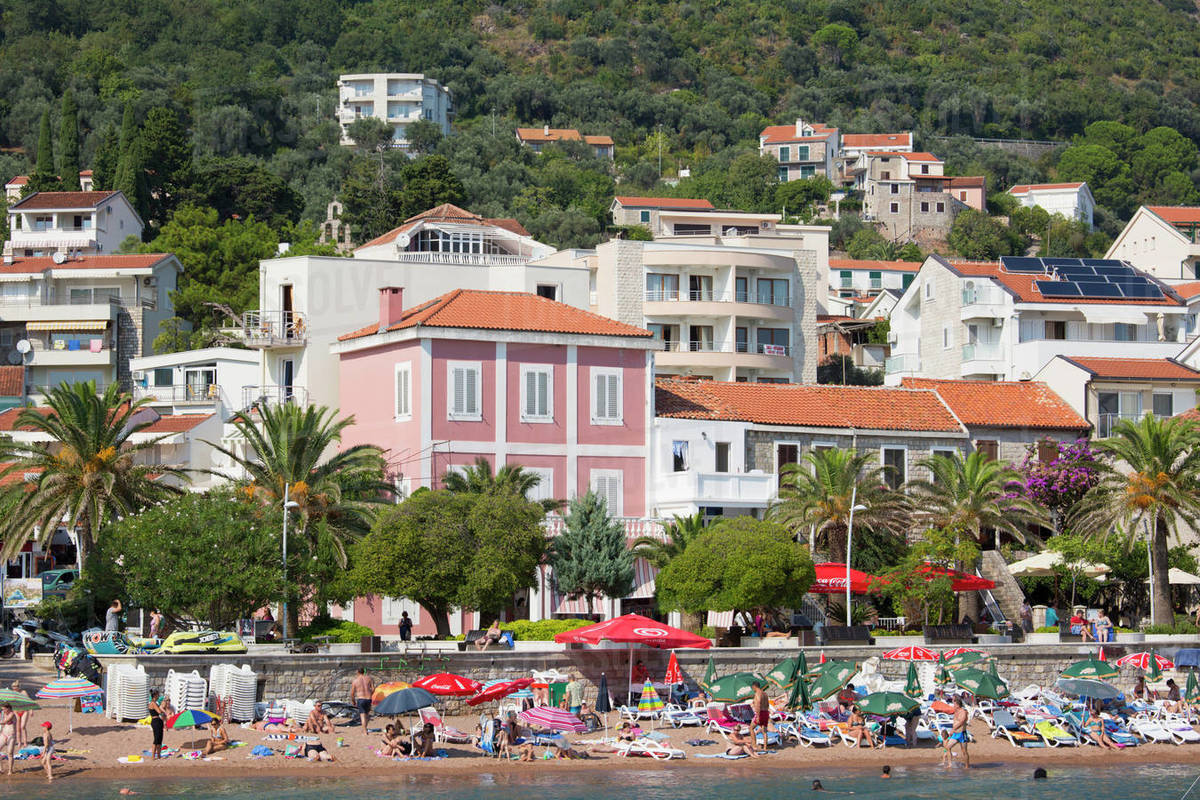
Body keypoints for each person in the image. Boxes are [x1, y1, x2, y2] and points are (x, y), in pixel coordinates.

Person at [941, 696, 970, 767]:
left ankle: (967, 766)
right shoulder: (956, 711)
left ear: (957, 704)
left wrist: (953, 730)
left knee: (964, 751)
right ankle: (950, 764)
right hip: (955, 734)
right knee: (947, 747)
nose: (953, 705)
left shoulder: (963, 712)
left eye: (954, 703)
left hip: (962, 734)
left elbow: (961, 722)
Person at [350, 668, 374, 736]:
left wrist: (353, 701)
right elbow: (373, 689)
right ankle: (365, 729)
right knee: (367, 715)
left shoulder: (355, 681)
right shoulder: (369, 678)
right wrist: (370, 694)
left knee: (362, 715)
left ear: (358, 672)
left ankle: (365, 731)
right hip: (368, 698)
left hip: (361, 699)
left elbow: (352, 693)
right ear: (364, 671)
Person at [750, 681, 771, 749]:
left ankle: (754, 746)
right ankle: (765, 748)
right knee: (764, 731)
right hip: (766, 712)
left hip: (760, 713)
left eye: (752, 687)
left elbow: (758, 704)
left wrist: (758, 716)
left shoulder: (757, 693)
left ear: (754, 686)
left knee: (751, 728)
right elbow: (767, 704)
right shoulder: (765, 694)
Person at [148, 692, 166, 760]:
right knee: (156, 739)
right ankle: (153, 756)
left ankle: (158, 755)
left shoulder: (153, 703)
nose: (158, 696)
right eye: (157, 695)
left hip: (157, 721)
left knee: (159, 739)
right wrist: (162, 709)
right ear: (155, 696)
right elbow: (159, 711)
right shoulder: (153, 703)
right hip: (156, 721)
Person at [0, 703, 16, 775]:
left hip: (11, 735)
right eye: (2, 709)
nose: (3, 710)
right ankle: (1, 768)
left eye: (4, 709)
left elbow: (5, 721)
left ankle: (10, 770)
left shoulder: (12, 714)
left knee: (10, 753)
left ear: (8, 708)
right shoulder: (3, 713)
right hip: (4, 734)